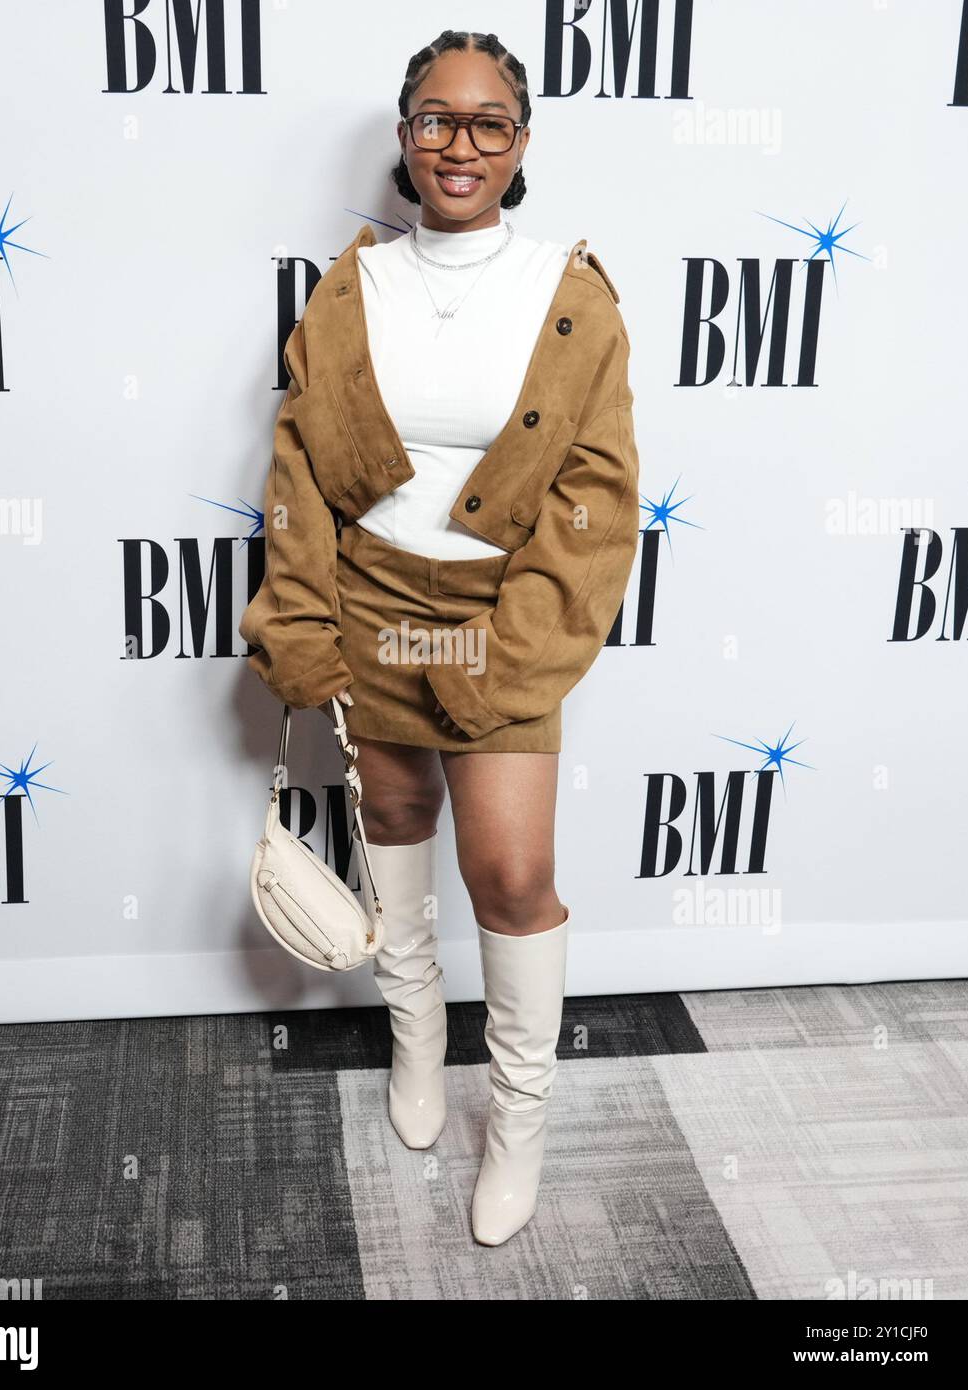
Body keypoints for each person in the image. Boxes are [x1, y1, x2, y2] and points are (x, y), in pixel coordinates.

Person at [241, 29, 641, 1246]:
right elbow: (300, 469)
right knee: (398, 831)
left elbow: (597, 492)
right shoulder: (349, 286)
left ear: (519, 146)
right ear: (402, 132)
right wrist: (302, 621)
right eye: (433, 118)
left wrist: (506, 662)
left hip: (499, 621)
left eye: (487, 124)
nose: (457, 145)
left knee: (511, 875)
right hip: (370, 609)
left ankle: (515, 1120)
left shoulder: (568, 295)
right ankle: (418, 1044)